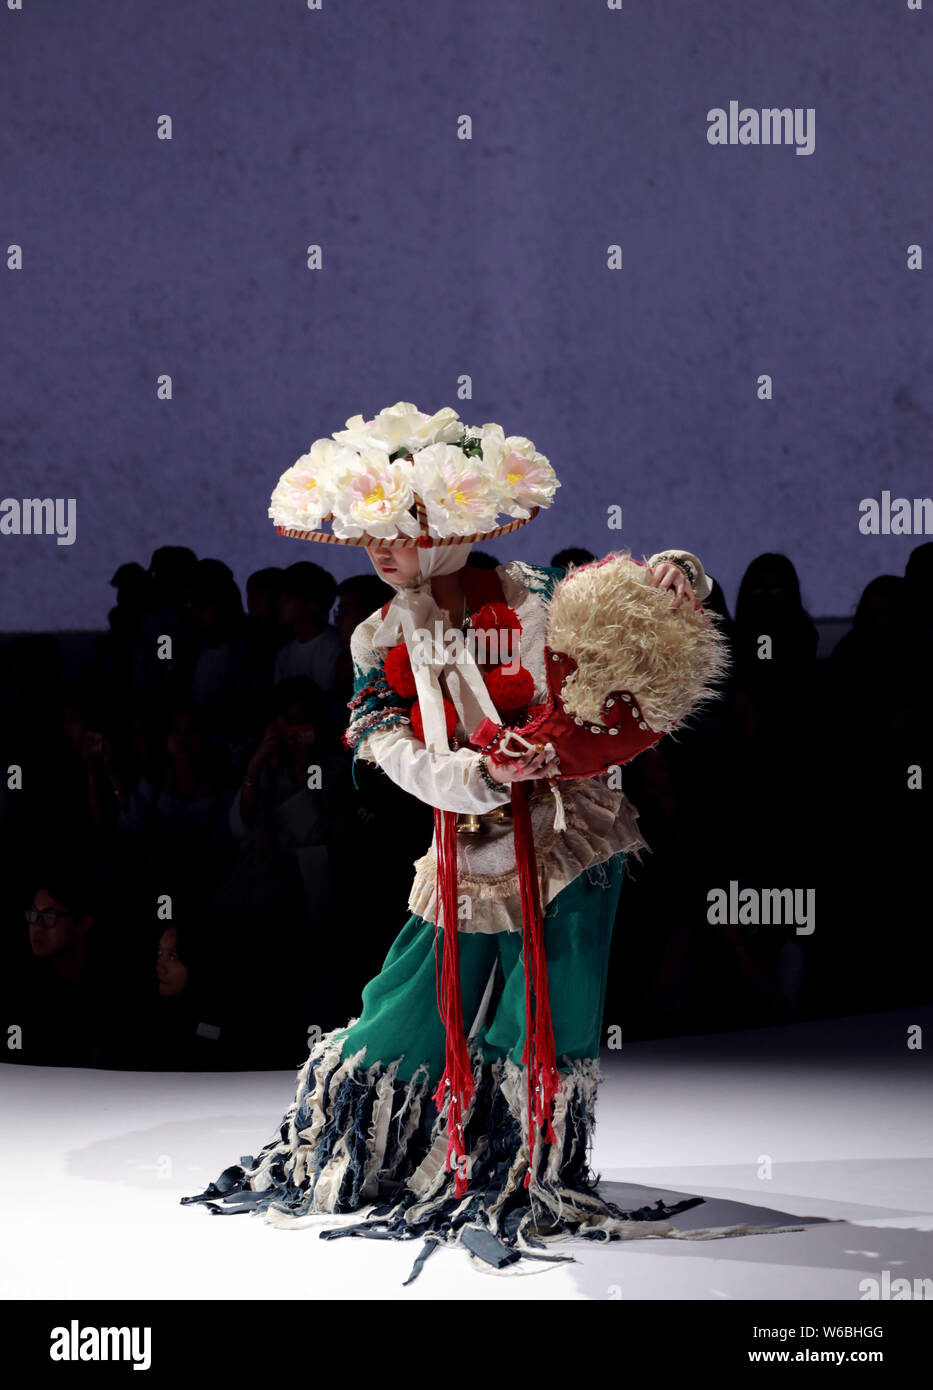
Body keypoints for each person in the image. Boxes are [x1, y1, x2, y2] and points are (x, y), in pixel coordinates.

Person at [182, 402, 787, 1279]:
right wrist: (466, 778)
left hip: (569, 834)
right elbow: (381, 742)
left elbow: (628, 624)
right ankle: (363, 1147)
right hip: (463, 831)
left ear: (453, 523)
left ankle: (514, 1176)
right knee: (414, 994)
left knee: (547, 1004)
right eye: (369, 536)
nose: (382, 552)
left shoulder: (542, 593)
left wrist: (673, 573)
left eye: (402, 529)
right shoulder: (378, 633)